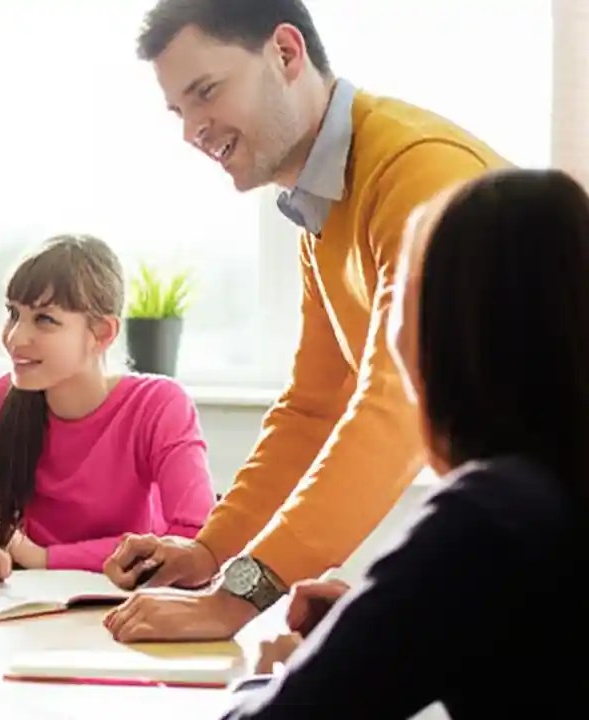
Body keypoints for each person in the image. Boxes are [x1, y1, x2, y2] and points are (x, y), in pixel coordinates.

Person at [103, 0, 509, 642]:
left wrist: (234, 599)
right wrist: (210, 553)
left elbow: (396, 406)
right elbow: (314, 409)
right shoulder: (323, 206)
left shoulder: (418, 171)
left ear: (286, 53)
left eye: (206, 92)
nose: (192, 131)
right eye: (179, 111)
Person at [222, 167, 589, 716]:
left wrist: (267, 673)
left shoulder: (487, 515)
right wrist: (375, 621)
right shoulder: (546, 499)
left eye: (396, 297)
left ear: (450, 326)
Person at [0, 234, 215, 581]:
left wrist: (45, 558)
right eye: (13, 314)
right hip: (23, 609)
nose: (15, 338)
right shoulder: (0, 401)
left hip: (125, 607)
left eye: (45, 319)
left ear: (102, 333)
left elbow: (194, 540)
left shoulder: (159, 405)